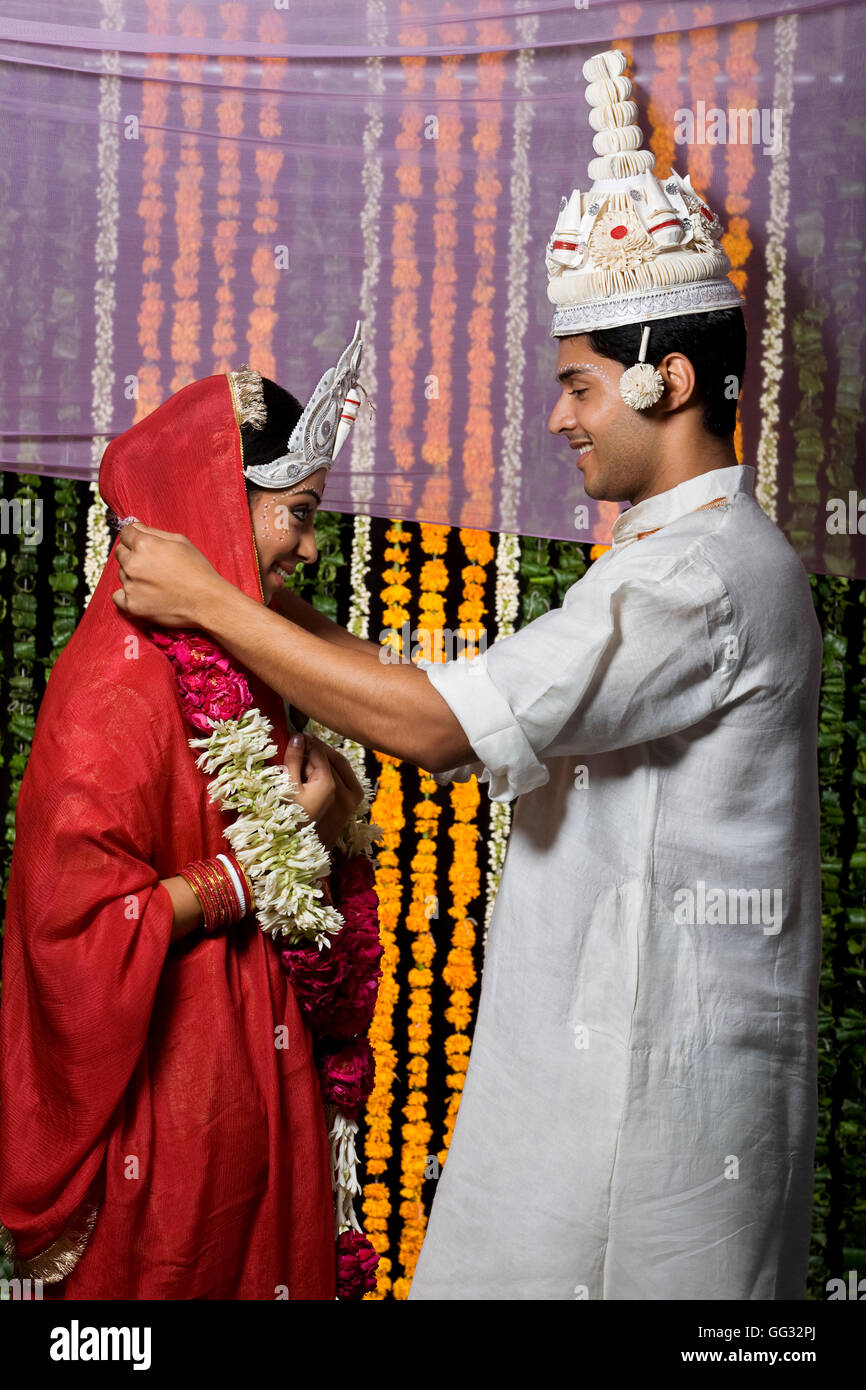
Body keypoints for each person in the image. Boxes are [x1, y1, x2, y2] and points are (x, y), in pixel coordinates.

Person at [111, 49, 822, 1300]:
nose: (559, 420)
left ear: (666, 379)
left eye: (577, 386)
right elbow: (456, 683)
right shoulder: (676, 559)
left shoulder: (698, 577)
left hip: (642, 1105)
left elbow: (439, 727)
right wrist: (261, 608)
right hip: (598, 1065)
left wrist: (211, 601)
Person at [0, 335, 372, 1299]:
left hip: (261, 1079)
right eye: (297, 512)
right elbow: (70, 934)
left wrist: (315, 829)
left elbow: (406, 700)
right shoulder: (111, 691)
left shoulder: (245, 647)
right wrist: (255, 870)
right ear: (215, 503)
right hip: (168, 1118)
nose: (309, 544)